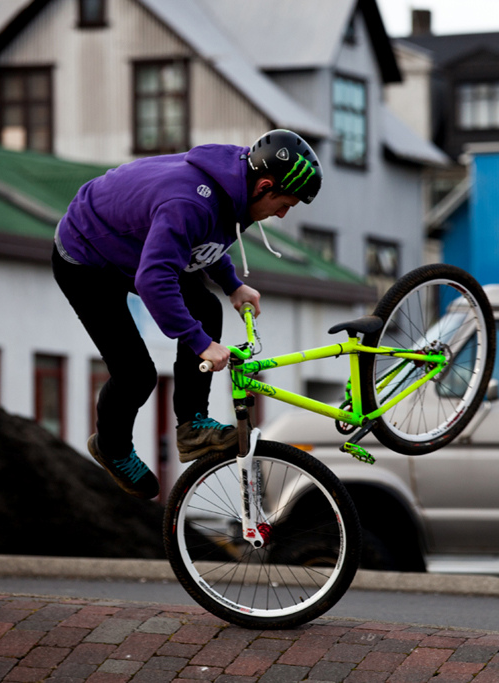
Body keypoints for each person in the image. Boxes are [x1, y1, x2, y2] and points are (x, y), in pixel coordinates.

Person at [52, 129, 322, 500]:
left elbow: (203, 239)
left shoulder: (235, 188)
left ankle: (192, 426)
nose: (282, 213)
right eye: (285, 203)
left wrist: (232, 284)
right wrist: (199, 342)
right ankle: (111, 446)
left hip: (133, 245)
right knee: (136, 374)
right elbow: (154, 279)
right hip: (84, 256)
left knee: (206, 306)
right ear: (264, 185)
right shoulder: (191, 202)